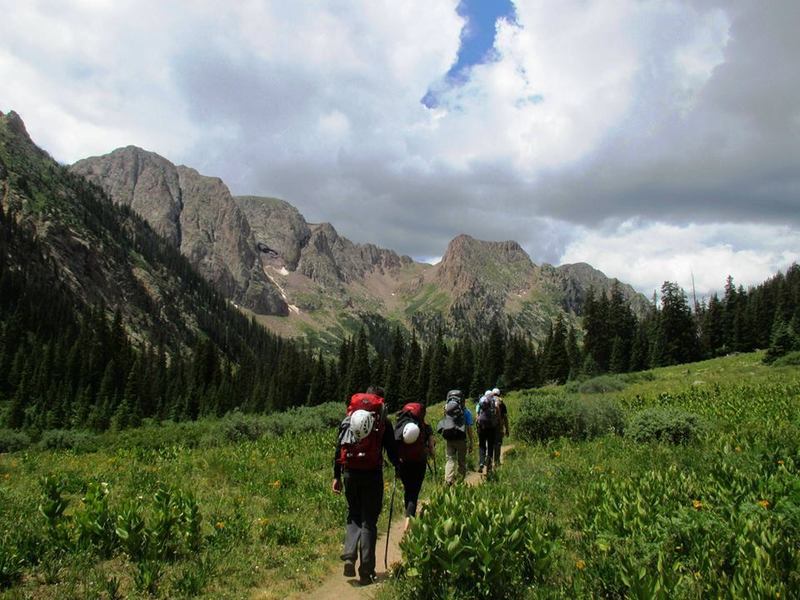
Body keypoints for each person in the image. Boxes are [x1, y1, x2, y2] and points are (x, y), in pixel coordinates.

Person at [332, 386, 399, 586]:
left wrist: (336, 476)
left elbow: (339, 448)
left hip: (350, 473)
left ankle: (350, 555)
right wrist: (399, 469)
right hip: (372, 475)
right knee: (369, 520)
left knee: (354, 514)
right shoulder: (382, 422)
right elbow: (392, 451)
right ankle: (366, 572)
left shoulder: (350, 417)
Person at [394, 402, 434, 531]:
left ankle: (408, 516)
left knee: (408, 490)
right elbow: (432, 449)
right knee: (414, 492)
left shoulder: (401, 424)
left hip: (403, 462)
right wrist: (430, 452)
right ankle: (408, 521)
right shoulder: (426, 427)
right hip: (419, 462)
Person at [437, 389, 474, 485]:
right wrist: (471, 442)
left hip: (449, 438)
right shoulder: (466, 412)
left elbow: (446, 421)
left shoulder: (447, 409)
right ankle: (460, 483)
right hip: (461, 439)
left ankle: (448, 480)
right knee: (461, 461)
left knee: (450, 459)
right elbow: (469, 428)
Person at [476, 389, 499, 474]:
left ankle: (481, 463)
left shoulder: (481, 402)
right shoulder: (494, 401)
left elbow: (477, 417)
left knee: (481, 445)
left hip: (482, 427)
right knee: (490, 445)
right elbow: (496, 413)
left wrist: (478, 427)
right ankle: (488, 461)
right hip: (491, 427)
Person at [492, 387, 509, 466]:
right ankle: (496, 461)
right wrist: (507, 429)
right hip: (498, 426)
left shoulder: (488, 401)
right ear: (499, 394)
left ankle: (488, 460)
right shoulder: (501, 402)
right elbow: (505, 417)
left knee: (490, 443)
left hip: (488, 426)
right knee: (498, 443)